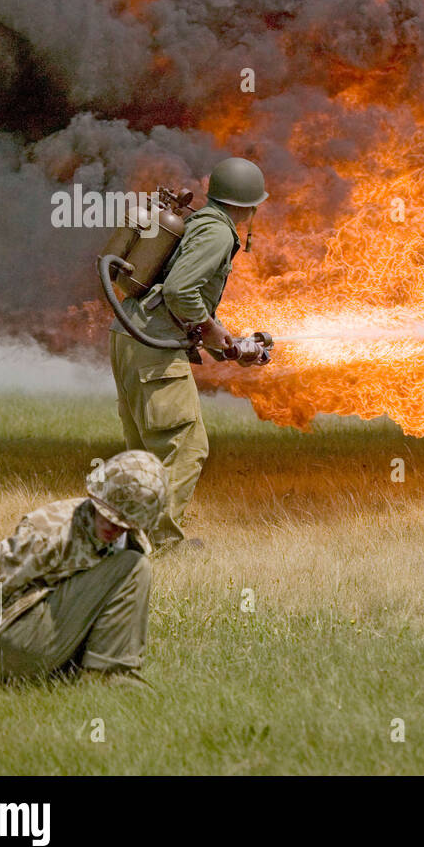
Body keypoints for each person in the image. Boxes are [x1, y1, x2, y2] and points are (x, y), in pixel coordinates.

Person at [108, 157, 270, 552]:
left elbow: (178, 297)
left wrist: (229, 347)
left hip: (130, 337)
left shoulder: (199, 222)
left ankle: (127, 541)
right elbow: (181, 292)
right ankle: (159, 545)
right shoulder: (216, 233)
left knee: (146, 452)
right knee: (185, 445)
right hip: (152, 347)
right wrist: (218, 334)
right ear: (248, 205)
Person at [0, 450, 168, 699]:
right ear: (95, 497)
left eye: (125, 524)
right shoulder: (48, 530)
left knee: (136, 565)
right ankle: (104, 676)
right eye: (108, 516)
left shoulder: (130, 541)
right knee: (135, 567)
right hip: (16, 644)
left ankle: (103, 673)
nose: (114, 528)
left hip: (53, 642)